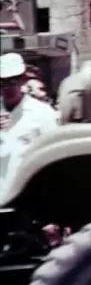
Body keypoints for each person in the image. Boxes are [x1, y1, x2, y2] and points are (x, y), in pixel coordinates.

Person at [0, 53, 59, 201]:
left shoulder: (42, 113)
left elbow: (53, 159)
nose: (6, 88)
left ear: (22, 80)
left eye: (12, 82)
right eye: (1, 83)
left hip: (26, 200)